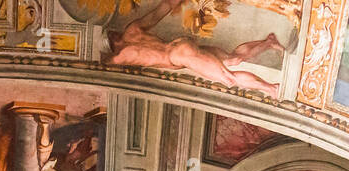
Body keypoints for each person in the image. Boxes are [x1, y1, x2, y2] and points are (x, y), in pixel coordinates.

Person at [104, 0, 284, 98]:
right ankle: (268, 42)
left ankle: (271, 89)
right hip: (180, 46)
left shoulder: (121, 57)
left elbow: (102, 70)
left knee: (229, 79)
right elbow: (165, 6)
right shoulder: (132, 30)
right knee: (232, 59)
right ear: (111, 36)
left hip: (179, 55)